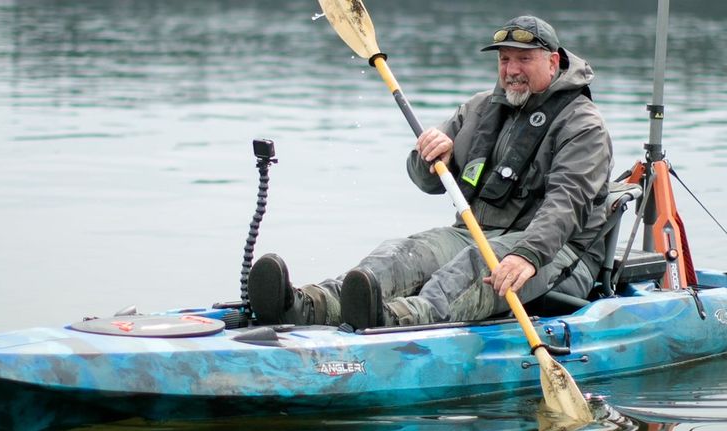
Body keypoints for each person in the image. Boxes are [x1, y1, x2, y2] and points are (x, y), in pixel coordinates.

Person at [249, 15, 613, 330]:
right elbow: (426, 182)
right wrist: (428, 157)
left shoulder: (583, 126)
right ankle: (308, 305)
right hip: (474, 233)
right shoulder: (479, 109)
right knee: (404, 253)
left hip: (555, 255)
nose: (512, 70)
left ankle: (391, 321)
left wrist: (527, 254)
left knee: (471, 267)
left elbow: (567, 204)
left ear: (552, 62)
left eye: (524, 59)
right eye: (504, 60)